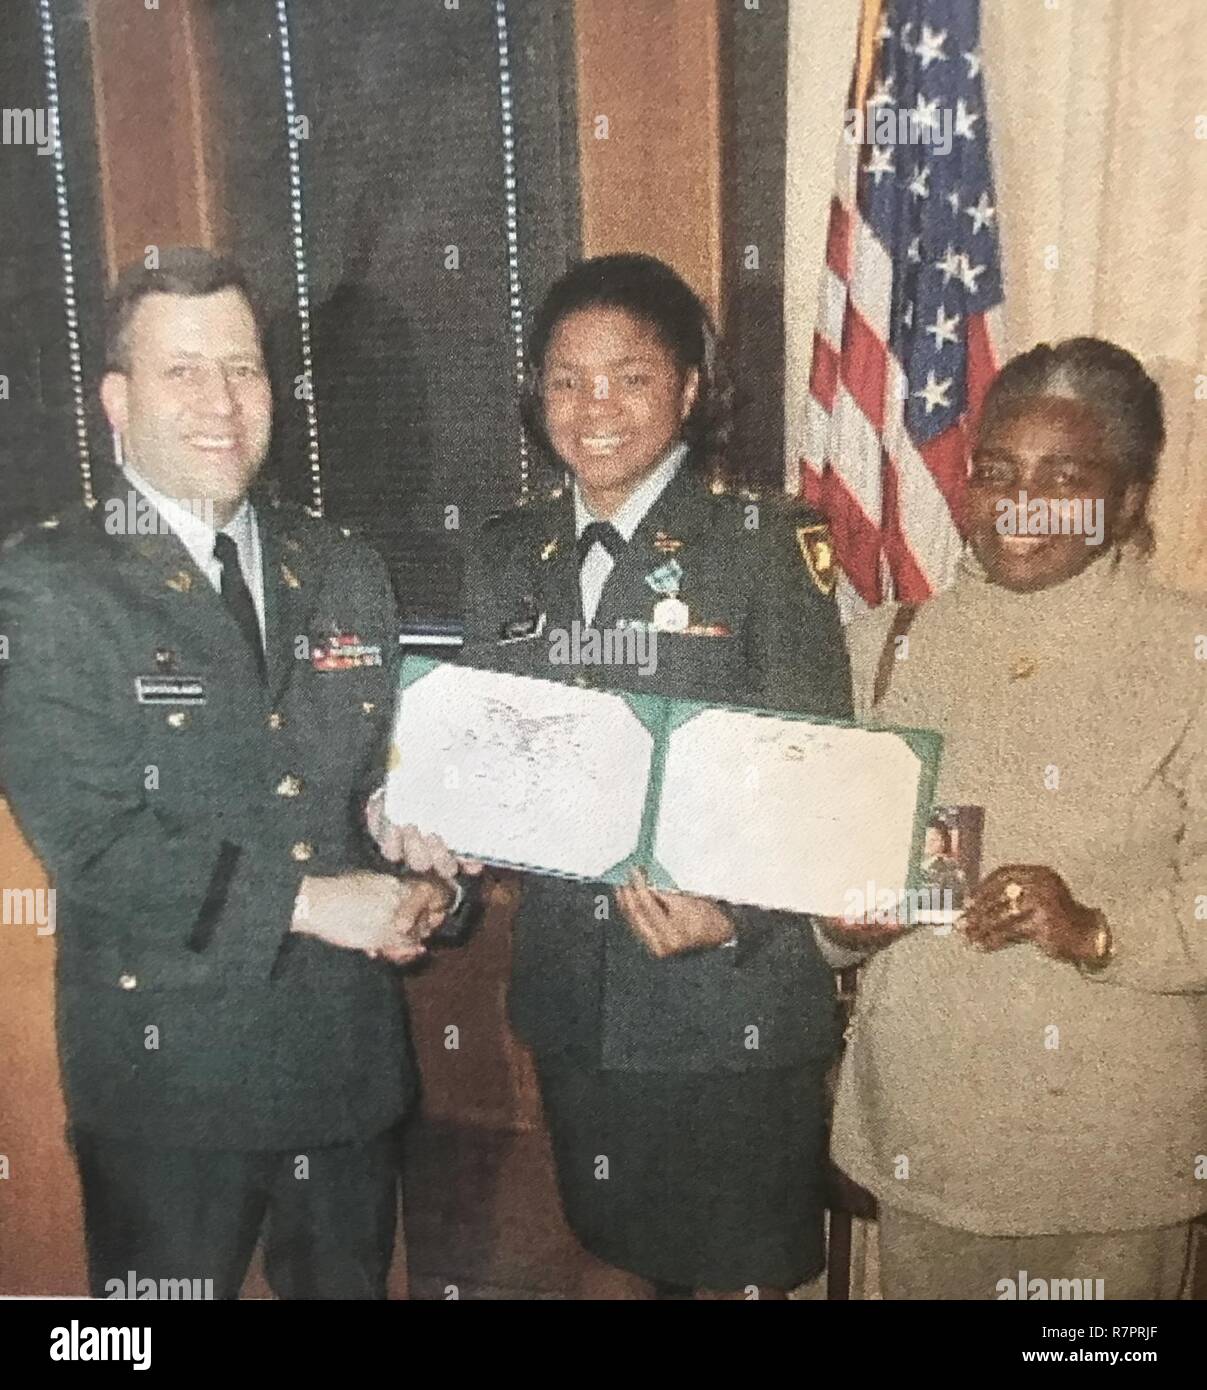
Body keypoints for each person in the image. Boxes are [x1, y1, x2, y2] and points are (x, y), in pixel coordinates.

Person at [381, 253, 853, 1298]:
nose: (594, 407)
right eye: (565, 378)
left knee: (737, 1274)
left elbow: (820, 784)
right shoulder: (508, 555)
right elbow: (493, 773)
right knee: (609, 1251)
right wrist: (427, 845)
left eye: (630, 375)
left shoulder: (766, 543)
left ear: (689, 388)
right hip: (576, 999)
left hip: (724, 999)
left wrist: (733, 915)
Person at [0, 248, 466, 1300]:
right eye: (183, 371)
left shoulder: (342, 564)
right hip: (171, 1082)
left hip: (341, 1066)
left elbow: (375, 783)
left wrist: (423, 860)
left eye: (244, 369)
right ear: (117, 401)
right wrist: (312, 901)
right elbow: (93, 838)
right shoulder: (48, 586)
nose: (221, 401)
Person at [826, 337, 1207, 1299]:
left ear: (1124, 500)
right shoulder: (882, 646)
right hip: (929, 1140)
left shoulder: (1186, 654)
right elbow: (818, 881)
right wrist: (839, 922)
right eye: (994, 473)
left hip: (1112, 1163)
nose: (1017, 504)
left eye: (1062, 476)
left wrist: (1096, 931)